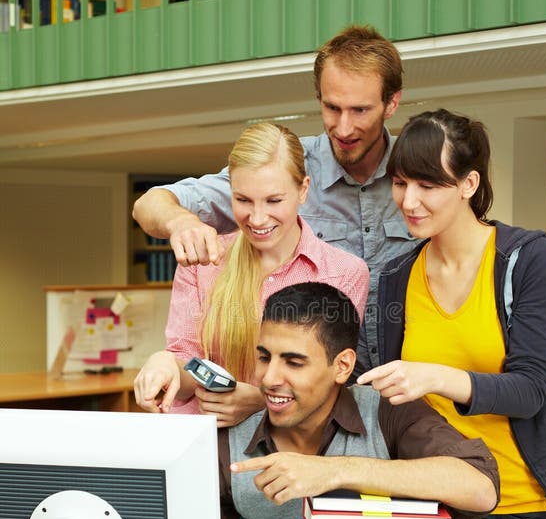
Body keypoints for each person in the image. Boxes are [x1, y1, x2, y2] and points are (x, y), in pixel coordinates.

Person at [356, 108, 546, 519]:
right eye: (399, 183)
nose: (408, 201)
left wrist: (436, 377)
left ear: (468, 183)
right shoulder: (397, 276)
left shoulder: (528, 261)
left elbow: (530, 391)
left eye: (427, 185)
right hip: (432, 509)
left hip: (520, 511)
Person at [132, 24, 417, 374]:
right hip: (310, 398)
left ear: (392, 103)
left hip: (401, 386)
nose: (343, 128)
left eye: (360, 110)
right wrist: (182, 222)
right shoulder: (283, 170)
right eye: (332, 108)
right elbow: (150, 204)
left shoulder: (418, 175)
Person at [219, 282, 500, 519]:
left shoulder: (388, 412)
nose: (269, 378)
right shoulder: (231, 439)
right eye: (264, 357)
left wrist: (335, 472)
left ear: (342, 366)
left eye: (294, 363)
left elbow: (480, 489)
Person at [133, 122, 369, 426]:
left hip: (292, 452)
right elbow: (188, 363)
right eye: (243, 200)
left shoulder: (344, 273)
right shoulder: (204, 261)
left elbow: (332, 385)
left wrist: (260, 402)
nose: (257, 218)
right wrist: (166, 365)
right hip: (204, 446)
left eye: (274, 200)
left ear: (303, 190)